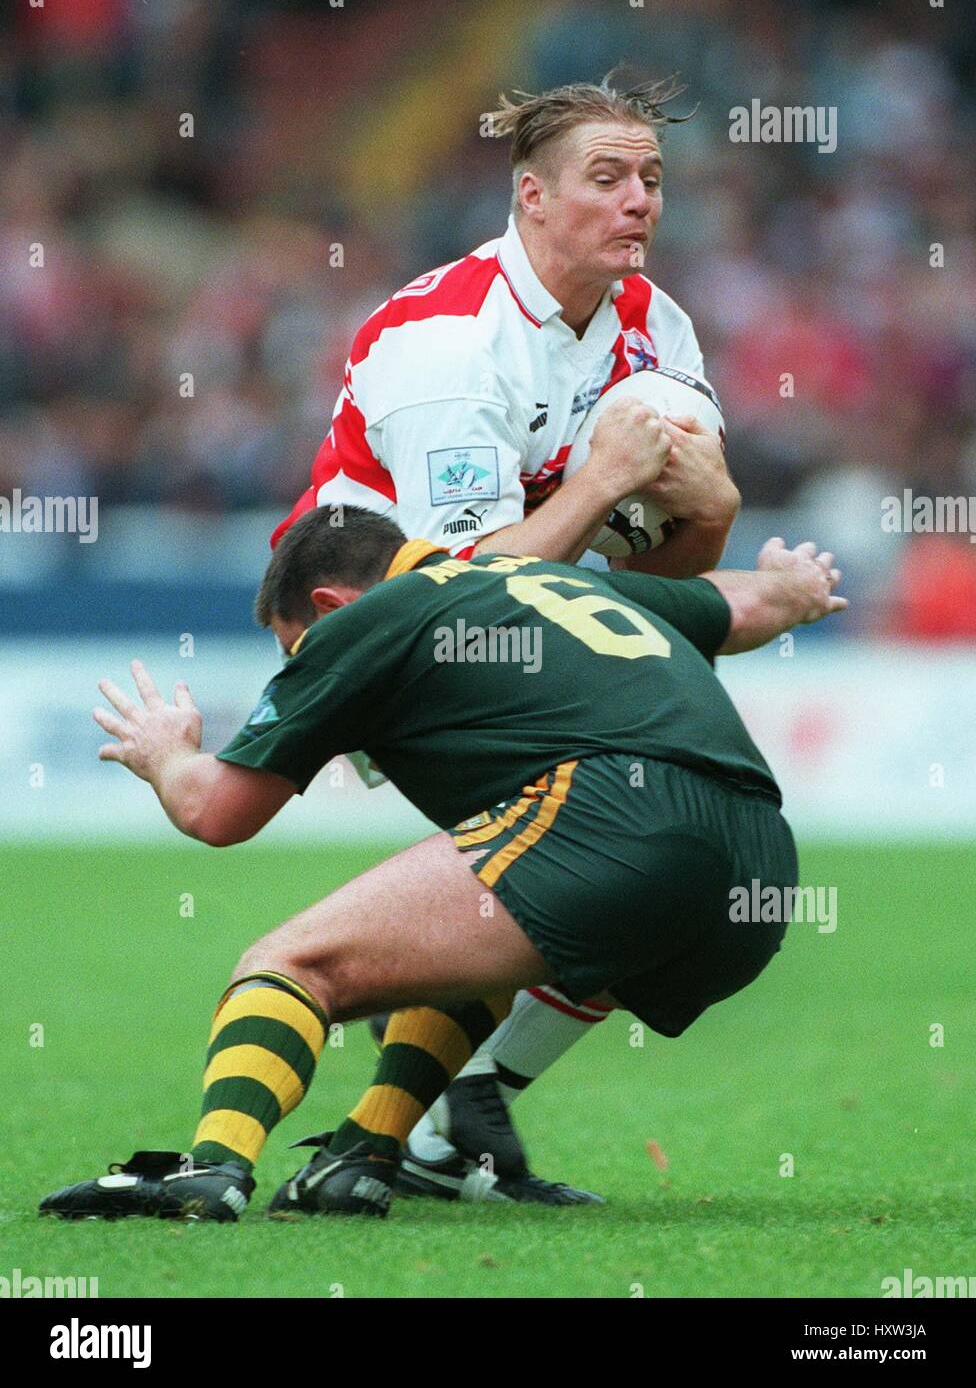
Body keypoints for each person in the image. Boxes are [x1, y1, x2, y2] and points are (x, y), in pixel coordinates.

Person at [40, 506, 846, 1221]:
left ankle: (210, 1169)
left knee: (288, 965)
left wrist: (166, 756)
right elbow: (750, 605)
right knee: (491, 929)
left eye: (296, 647)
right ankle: (361, 1157)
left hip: (623, 822)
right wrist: (797, 585)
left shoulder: (373, 617)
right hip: (760, 870)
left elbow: (216, 813)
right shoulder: (545, 579)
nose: (303, 662)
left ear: (326, 605)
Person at [271, 74, 741, 1197]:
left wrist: (710, 513)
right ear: (532, 197)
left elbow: (656, 558)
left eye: (652, 179)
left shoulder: (652, 324)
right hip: (370, 627)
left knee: (666, 858)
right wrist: (610, 480)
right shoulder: (443, 341)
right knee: (617, 856)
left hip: (519, 623)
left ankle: (444, 1120)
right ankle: (384, 1117)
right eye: (609, 178)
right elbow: (460, 589)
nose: (640, 202)